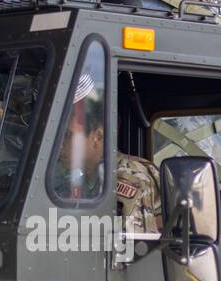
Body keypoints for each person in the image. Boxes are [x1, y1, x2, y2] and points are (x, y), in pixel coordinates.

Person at [52, 72, 163, 235]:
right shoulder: (84, 179)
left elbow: (127, 251)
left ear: (97, 136)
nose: (59, 145)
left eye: (68, 136)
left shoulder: (127, 176)